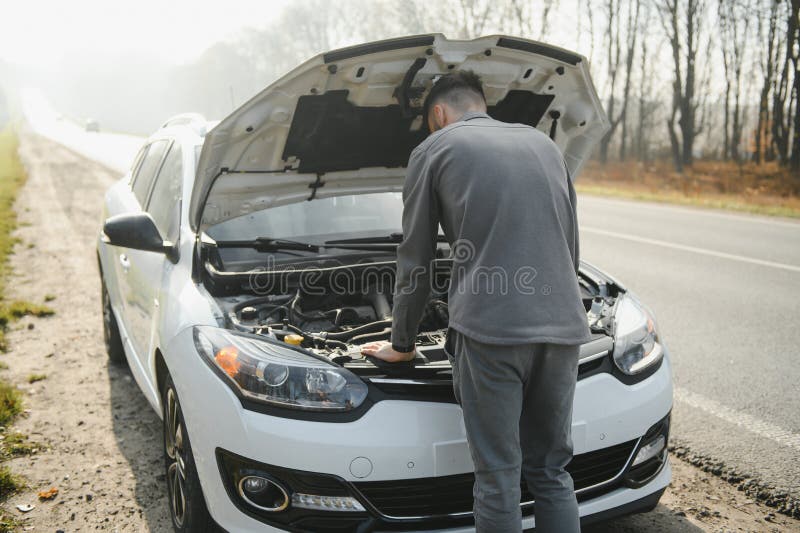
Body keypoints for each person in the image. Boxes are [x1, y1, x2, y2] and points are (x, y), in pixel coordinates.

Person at [361, 70, 590, 533]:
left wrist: (402, 342)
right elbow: (570, 246)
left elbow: (417, 259)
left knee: (498, 477)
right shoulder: (545, 145)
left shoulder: (434, 149)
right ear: (481, 103)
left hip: (491, 331)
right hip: (564, 326)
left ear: (439, 114)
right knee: (551, 472)